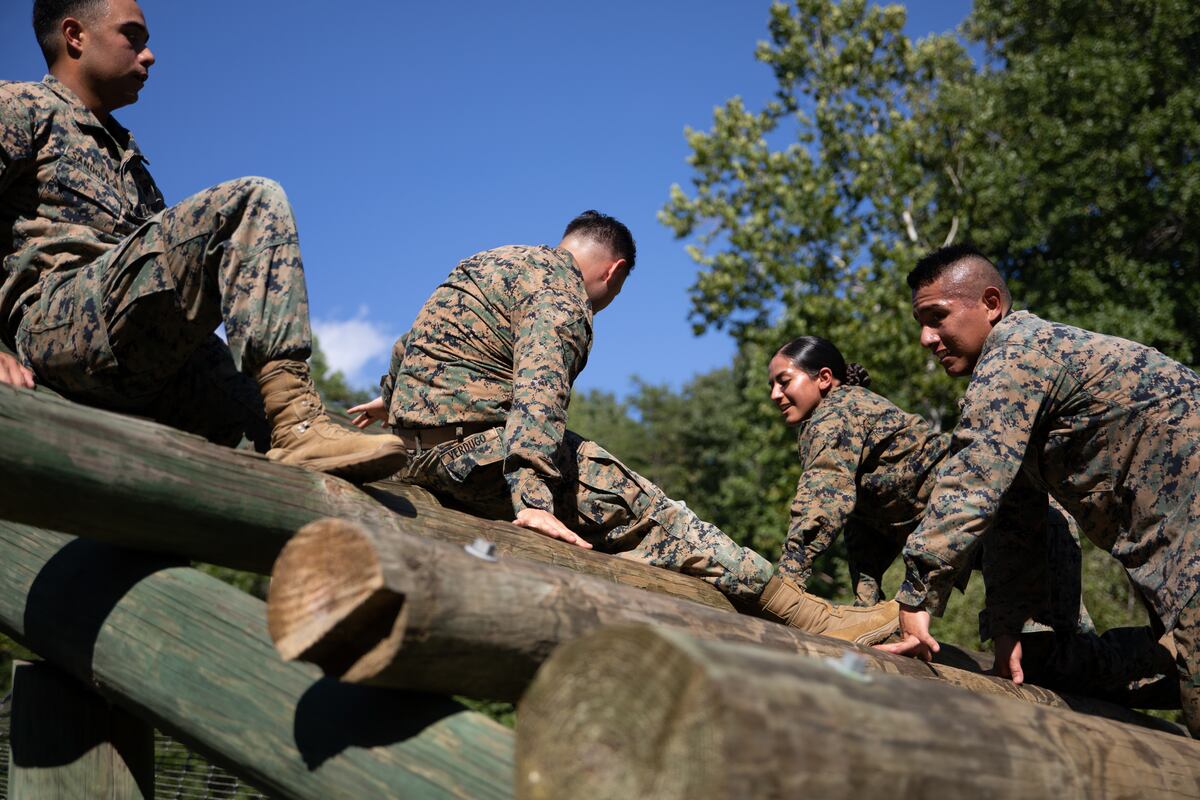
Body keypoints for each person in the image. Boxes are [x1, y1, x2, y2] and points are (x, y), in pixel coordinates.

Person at [349, 211, 899, 643]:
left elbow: (414, 337)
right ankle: (808, 614)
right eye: (617, 290)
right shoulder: (563, 299)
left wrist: (392, 396)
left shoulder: (491, 262)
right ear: (613, 272)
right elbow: (538, 395)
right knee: (663, 518)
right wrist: (532, 501)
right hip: (480, 460)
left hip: (416, 454)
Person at [0, 0, 406, 480]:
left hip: (136, 349)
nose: (148, 55)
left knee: (290, 422)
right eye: (133, 36)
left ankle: (307, 431)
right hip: (60, 327)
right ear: (75, 36)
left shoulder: (130, 160)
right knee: (249, 201)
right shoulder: (22, 106)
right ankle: (298, 426)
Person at [880, 243, 1198, 732]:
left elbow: (973, 479)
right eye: (920, 323)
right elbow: (1016, 514)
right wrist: (1011, 626)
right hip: (1176, 569)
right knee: (1057, 665)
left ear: (990, 304)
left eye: (937, 317)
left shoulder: (1017, 354)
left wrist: (916, 597)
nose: (926, 338)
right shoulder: (1028, 386)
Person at [771, 334, 1175, 699]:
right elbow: (866, 532)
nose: (774, 394)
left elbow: (823, 499)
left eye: (784, 380)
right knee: (1056, 667)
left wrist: (784, 584)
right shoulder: (842, 423)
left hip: (1025, 529)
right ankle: (1164, 664)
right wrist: (867, 611)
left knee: (1049, 667)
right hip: (1007, 537)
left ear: (824, 378)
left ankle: (1174, 651)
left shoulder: (837, 412)